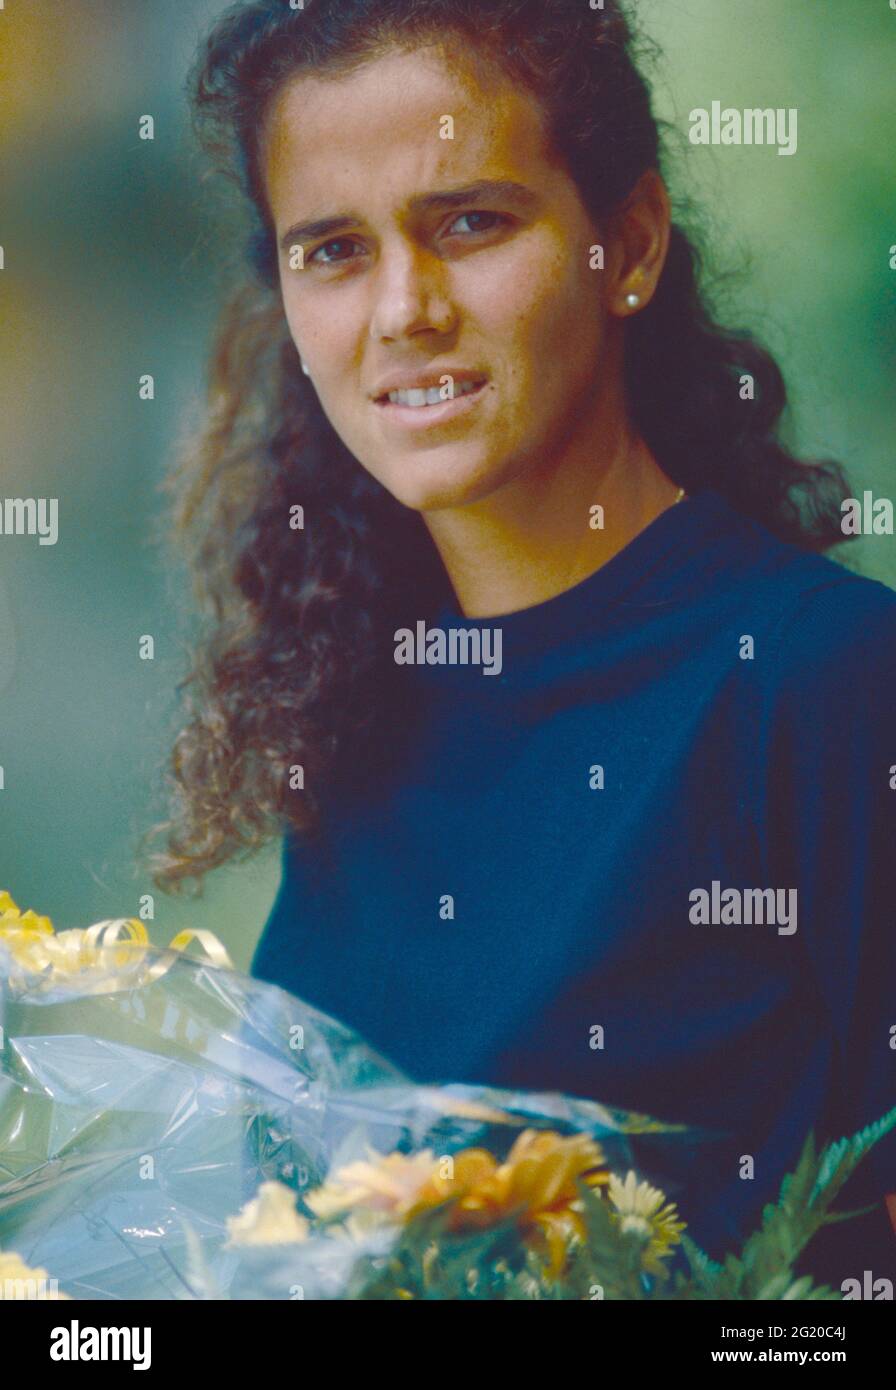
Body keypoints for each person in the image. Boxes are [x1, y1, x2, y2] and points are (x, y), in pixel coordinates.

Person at [146, 0, 896, 1290]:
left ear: (631, 245)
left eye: (470, 223)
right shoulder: (355, 704)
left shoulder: (829, 683)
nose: (404, 309)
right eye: (332, 250)